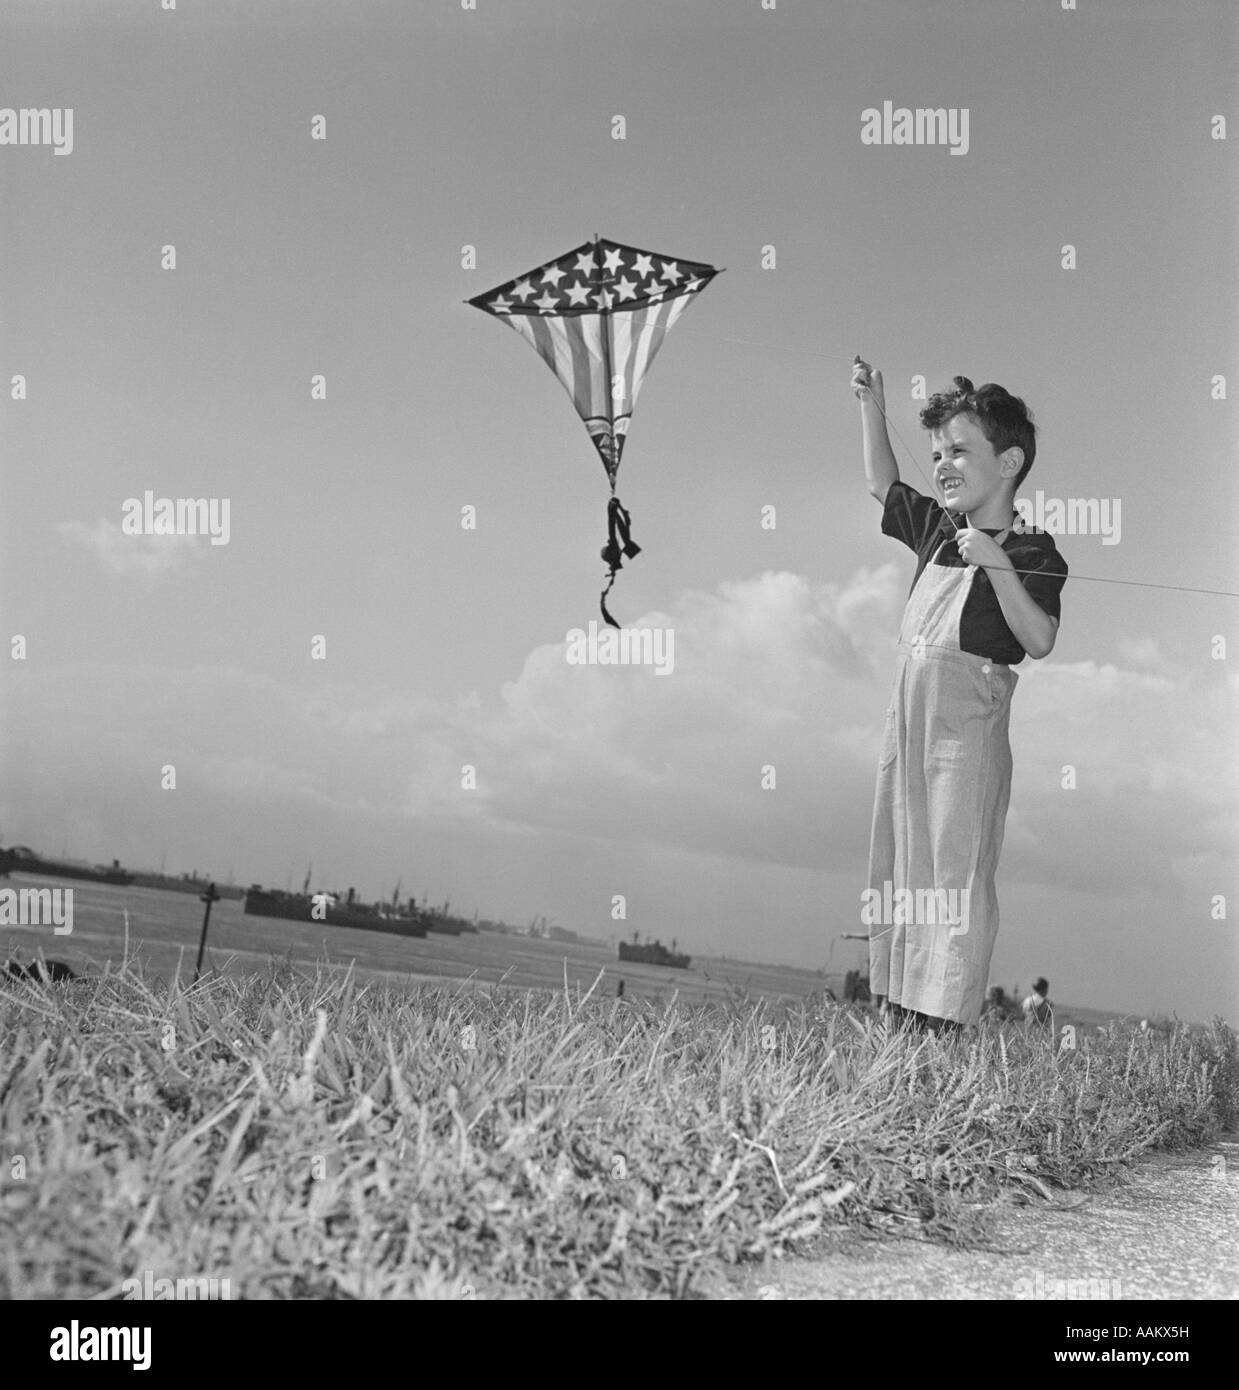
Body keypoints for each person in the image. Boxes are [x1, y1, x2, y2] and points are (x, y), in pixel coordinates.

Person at [853, 360, 1068, 1030]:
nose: (942, 465)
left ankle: (940, 1026)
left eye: (959, 452)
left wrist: (997, 564)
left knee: (954, 880)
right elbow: (880, 482)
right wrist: (871, 404)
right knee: (899, 869)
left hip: (963, 746)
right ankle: (893, 1022)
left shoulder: (1034, 549)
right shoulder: (936, 533)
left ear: (1006, 462)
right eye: (938, 452)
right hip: (907, 738)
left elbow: (1038, 639)